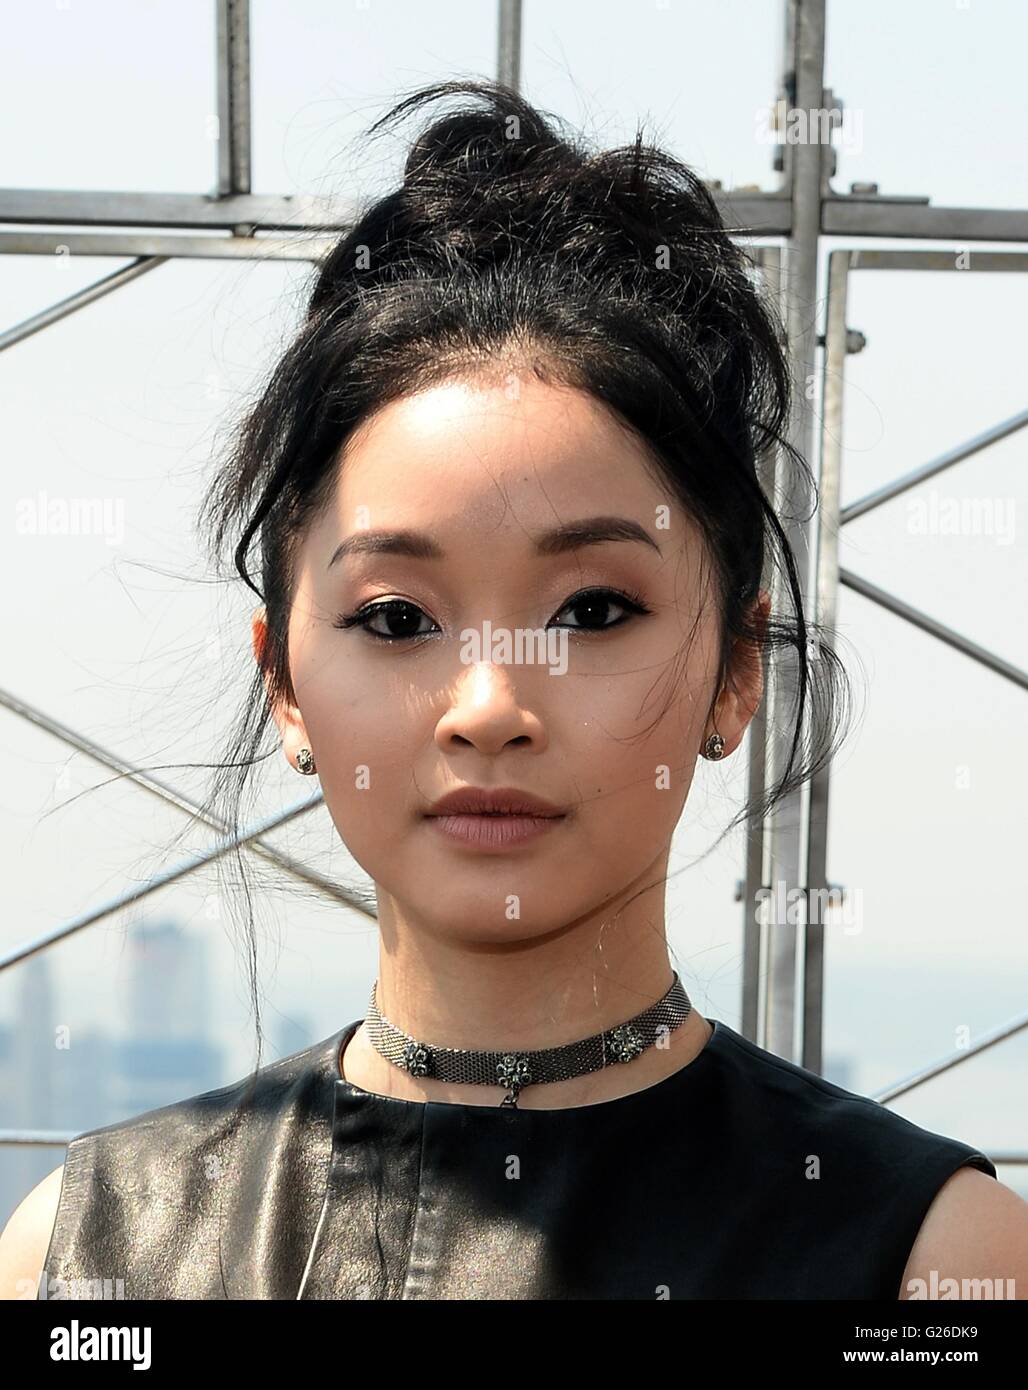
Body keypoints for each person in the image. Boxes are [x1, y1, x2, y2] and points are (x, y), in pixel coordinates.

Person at [2, 79, 1025, 1301]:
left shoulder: (925, 1261)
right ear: (282, 681)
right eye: (396, 618)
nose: (489, 703)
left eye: (591, 611)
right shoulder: (95, 1253)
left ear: (734, 670)